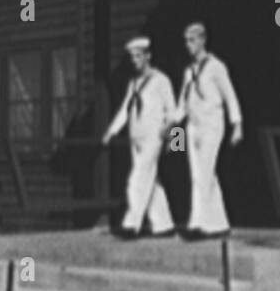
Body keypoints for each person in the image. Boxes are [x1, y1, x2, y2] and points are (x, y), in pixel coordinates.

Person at [100, 36, 176, 239]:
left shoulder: (161, 81)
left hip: (154, 137)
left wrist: (171, 136)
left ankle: (131, 224)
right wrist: (112, 131)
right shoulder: (134, 83)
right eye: (132, 57)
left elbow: (172, 111)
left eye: (138, 56)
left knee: (138, 177)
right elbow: (126, 110)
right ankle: (164, 224)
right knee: (151, 180)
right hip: (137, 139)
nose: (135, 60)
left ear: (148, 56)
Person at [172, 22, 242, 240]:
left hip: (212, 125)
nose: (188, 45)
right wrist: (172, 128)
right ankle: (218, 224)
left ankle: (197, 223)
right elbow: (182, 104)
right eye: (186, 41)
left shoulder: (215, 67)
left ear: (202, 40)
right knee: (201, 174)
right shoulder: (188, 71)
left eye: (192, 40)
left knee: (204, 171)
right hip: (192, 126)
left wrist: (237, 124)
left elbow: (229, 95)